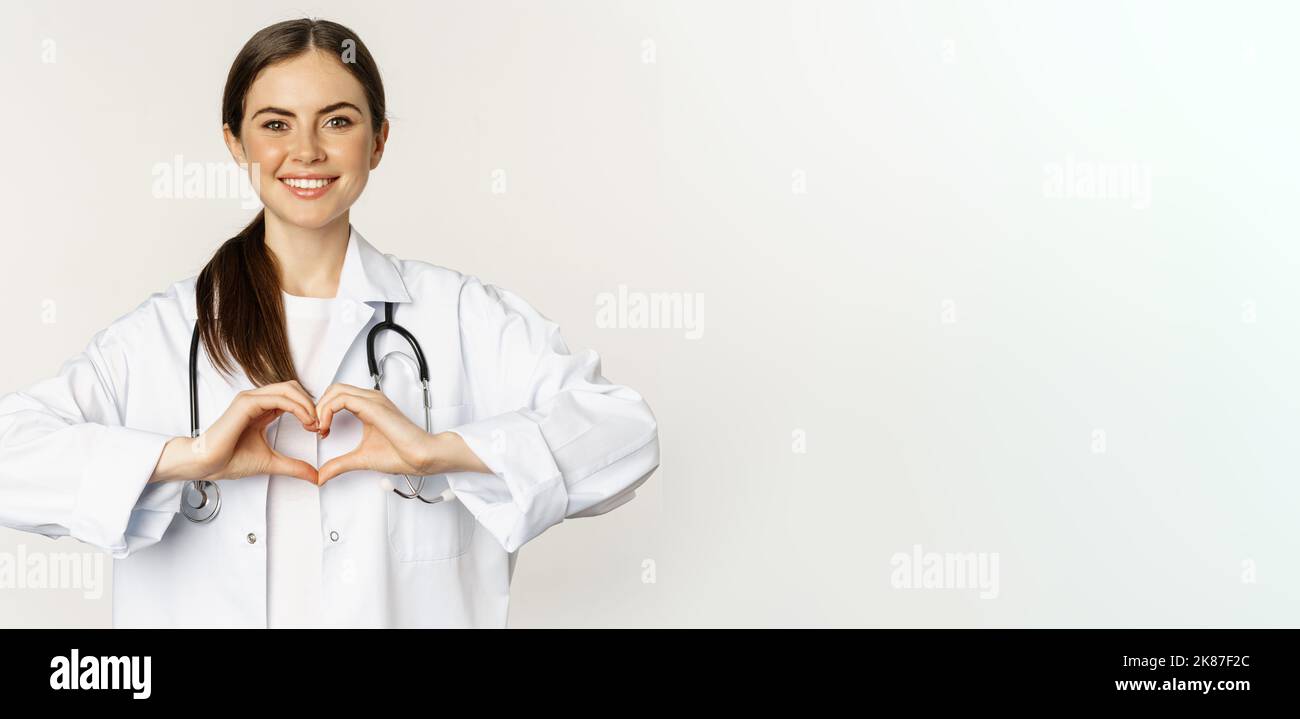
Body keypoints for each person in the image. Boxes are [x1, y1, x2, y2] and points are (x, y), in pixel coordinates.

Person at [0, 18, 659, 628]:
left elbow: (627, 436)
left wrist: (442, 451)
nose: (307, 151)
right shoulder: (165, 333)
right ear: (235, 143)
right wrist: (185, 459)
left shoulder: (460, 317)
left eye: (337, 120)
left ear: (378, 141)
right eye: (276, 124)